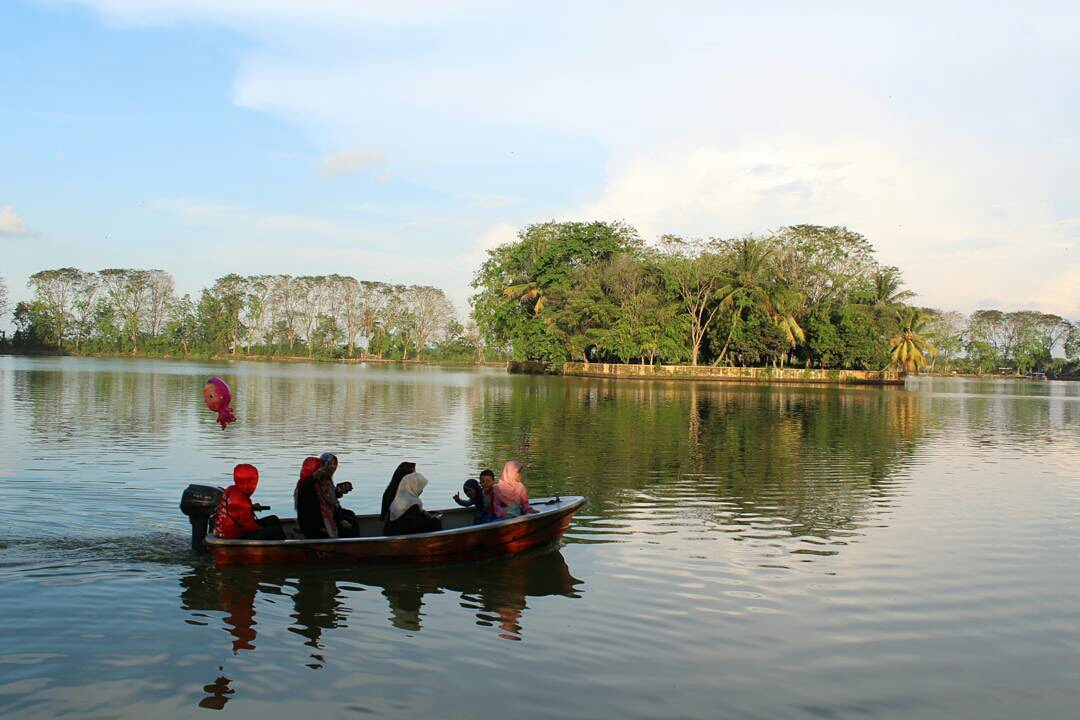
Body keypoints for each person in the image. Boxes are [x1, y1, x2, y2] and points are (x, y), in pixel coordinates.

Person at [214, 463, 285, 540]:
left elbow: (235, 509)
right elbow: (249, 526)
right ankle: (284, 547)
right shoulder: (240, 499)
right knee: (275, 530)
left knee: (273, 519)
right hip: (235, 535)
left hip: (228, 530)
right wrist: (261, 529)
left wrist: (251, 507)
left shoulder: (231, 489)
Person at [383, 471, 443, 536]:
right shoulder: (413, 503)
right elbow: (417, 525)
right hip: (401, 536)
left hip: (390, 532)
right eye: (420, 487)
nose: (421, 490)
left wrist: (423, 513)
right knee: (435, 522)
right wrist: (433, 518)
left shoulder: (398, 498)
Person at [319, 452, 359, 537]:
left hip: (333, 509)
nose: (333, 467)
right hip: (326, 513)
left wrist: (339, 491)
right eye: (330, 464)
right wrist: (341, 519)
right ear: (323, 464)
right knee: (351, 522)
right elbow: (327, 500)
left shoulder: (328, 478)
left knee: (351, 514)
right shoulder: (321, 479)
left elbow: (333, 495)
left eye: (335, 464)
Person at [296, 456, 337, 539]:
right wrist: (321, 527)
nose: (321, 471)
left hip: (316, 524)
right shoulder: (306, 486)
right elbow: (311, 511)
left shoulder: (315, 484)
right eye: (319, 469)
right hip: (313, 527)